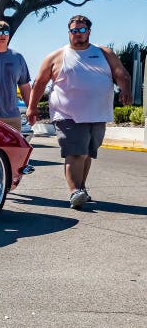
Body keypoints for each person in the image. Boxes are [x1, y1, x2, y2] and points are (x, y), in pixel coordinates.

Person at [26, 15, 132, 209]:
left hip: (98, 113)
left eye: (81, 30)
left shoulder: (104, 53)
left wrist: (126, 89)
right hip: (67, 114)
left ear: (89, 32)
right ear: (69, 33)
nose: (77, 34)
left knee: (87, 153)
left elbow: (121, 73)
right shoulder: (56, 56)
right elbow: (40, 82)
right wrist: (32, 107)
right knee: (75, 153)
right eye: (74, 30)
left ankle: (81, 188)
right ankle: (74, 191)